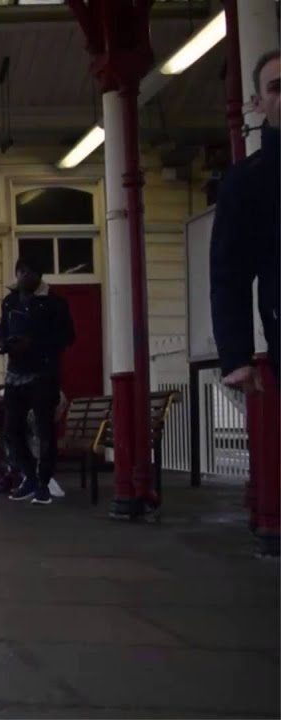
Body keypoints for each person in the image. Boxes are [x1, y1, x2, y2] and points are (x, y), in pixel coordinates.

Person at [210, 49, 279, 555]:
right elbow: (229, 273)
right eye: (278, 88)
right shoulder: (250, 180)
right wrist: (234, 355)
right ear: (259, 101)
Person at [0, 257, 75, 505]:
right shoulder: (9, 301)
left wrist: (35, 345)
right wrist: (1, 344)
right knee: (11, 429)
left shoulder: (54, 303)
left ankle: (43, 482)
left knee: (44, 429)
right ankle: (29, 476)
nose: (25, 278)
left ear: (38, 276)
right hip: (15, 374)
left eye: (30, 273)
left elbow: (67, 336)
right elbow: (2, 329)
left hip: (43, 373)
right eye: (22, 273)